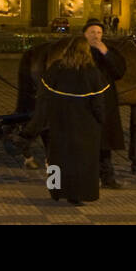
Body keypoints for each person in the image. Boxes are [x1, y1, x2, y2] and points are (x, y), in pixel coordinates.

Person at [29, 36, 107, 204]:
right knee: (83, 161)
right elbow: (98, 102)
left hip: (60, 122)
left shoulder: (57, 68)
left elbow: (45, 93)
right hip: (86, 126)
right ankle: (78, 194)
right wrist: (101, 120)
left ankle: (56, 191)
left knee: (57, 159)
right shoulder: (92, 72)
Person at [82, 18, 127, 189]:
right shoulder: (80, 51)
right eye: (92, 32)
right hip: (85, 101)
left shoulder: (108, 51)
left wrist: (106, 53)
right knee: (87, 140)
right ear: (85, 34)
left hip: (105, 101)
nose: (96, 36)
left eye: (99, 32)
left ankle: (108, 176)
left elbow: (119, 71)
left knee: (105, 140)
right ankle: (89, 177)